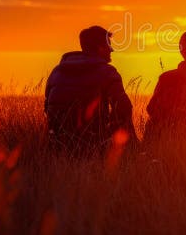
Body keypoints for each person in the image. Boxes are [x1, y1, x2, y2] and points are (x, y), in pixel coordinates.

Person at [44, 25, 136, 153]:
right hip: (94, 143)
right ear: (100, 48)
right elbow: (124, 107)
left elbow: (47, 107)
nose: (112, 50)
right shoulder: (107, 72)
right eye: (108, 45)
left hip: (58, 143)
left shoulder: (56, 71)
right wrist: (113, 127)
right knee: (124, 117)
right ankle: (135, 153)